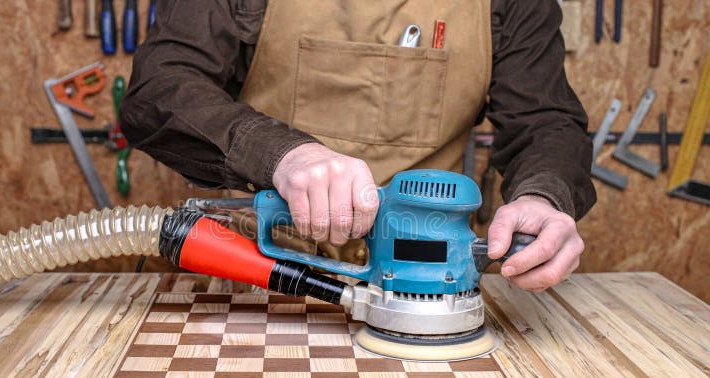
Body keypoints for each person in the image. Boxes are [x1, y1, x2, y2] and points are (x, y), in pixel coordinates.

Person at [120, 0, 597, 292]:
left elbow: (546, 119)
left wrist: (543, 196)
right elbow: (159, 87)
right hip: (249, 275)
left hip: (423, 289)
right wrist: (283, 155)